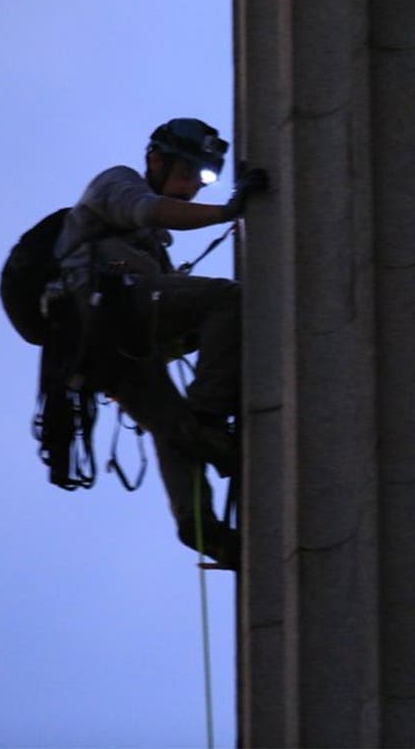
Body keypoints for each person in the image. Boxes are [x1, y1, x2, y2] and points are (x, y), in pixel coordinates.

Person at [53, 118, 269, 569]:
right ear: (155, 160)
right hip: (106, 310)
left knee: (174, 425)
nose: (191, 189)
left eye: (199, 180)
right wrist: (228, 211)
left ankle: (199, 524)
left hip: (106, 347)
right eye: (187, 174)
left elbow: (175, 325)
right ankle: (209, 417)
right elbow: (149, 210)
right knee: (228, 300)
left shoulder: (152, 249)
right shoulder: (117, 184)